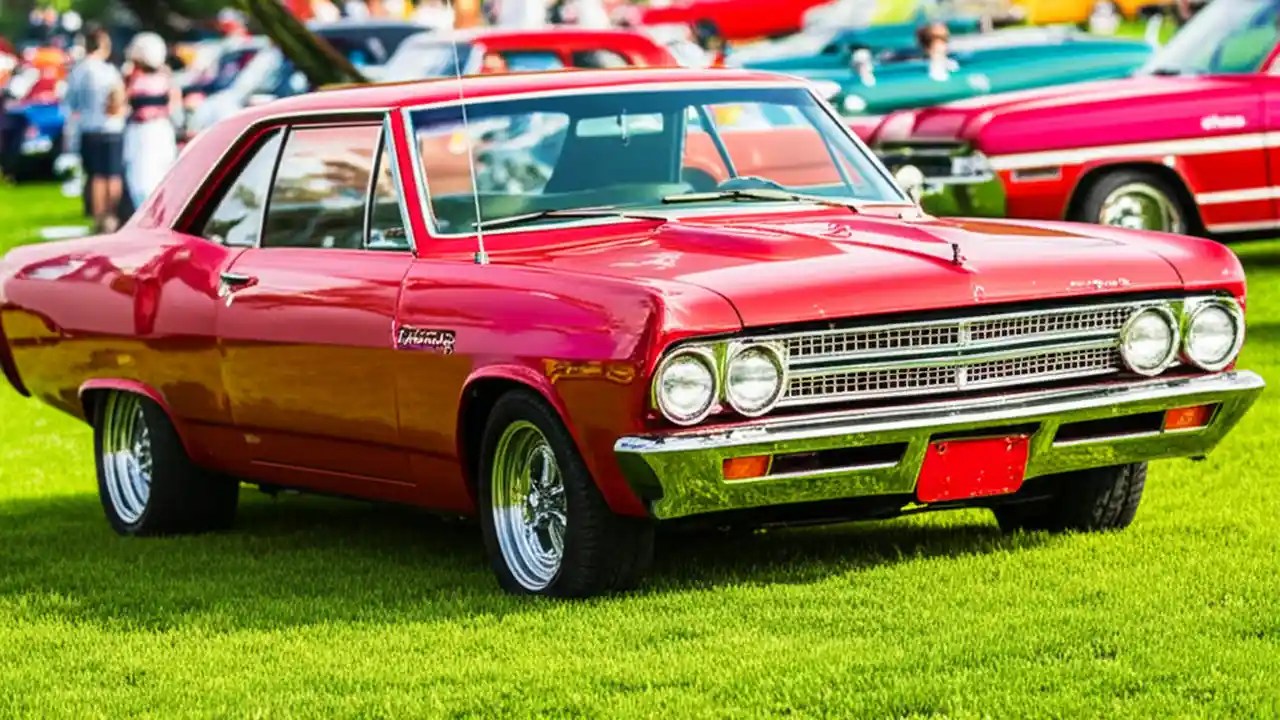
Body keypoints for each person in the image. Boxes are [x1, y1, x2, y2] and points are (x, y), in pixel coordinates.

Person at [63, 24, 125, 233]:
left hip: (89, 127)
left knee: (97, 175)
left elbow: (71, 101)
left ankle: (99, 218)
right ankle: (112, 215)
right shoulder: (109, 71)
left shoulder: (78, 71)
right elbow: (118, 98)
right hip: (112, 127)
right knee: (113, 174)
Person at [122, 33, 180, 210]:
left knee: (142, 178)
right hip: (160, 129)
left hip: (144, 132)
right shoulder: (166, 77)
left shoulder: (133, 78)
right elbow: (174, 107)